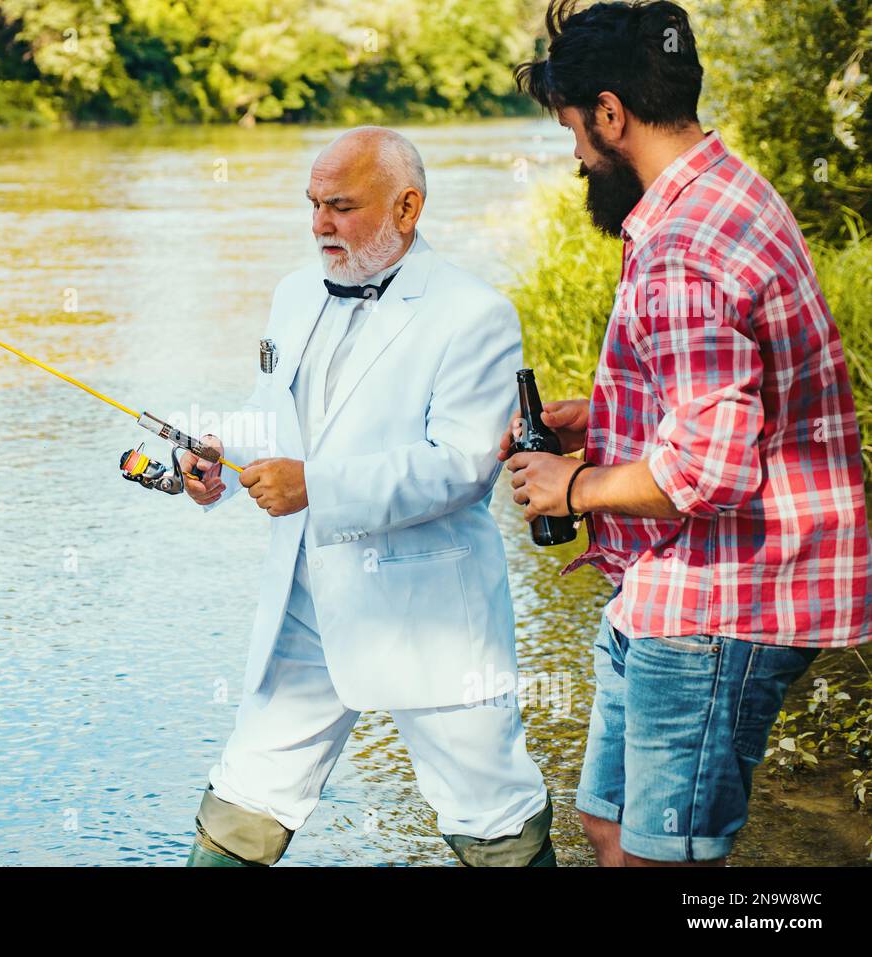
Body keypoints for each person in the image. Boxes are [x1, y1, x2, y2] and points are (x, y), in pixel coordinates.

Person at [504, 0, 872, 865]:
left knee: (664, 858)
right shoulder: (717, 188)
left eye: (574, 132)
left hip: (728, 593)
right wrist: (600, 419)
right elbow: (732, 393)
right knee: (606, 823)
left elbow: (709, 470)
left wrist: (577, 485)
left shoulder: (681, 245)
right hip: (671, 582)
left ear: (609, 113)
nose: (575, 157)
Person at [179, 126, 554, 867]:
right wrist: (214, 458)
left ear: (407, 206)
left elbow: (459, 467)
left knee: (493, 820)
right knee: (241, 801)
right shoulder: (293, 293)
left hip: (430, 617)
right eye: (313, 204)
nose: (319, 223)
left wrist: (314, 485)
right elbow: (272, 414)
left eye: (341, 206)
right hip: (307, 601)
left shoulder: (475, 313)